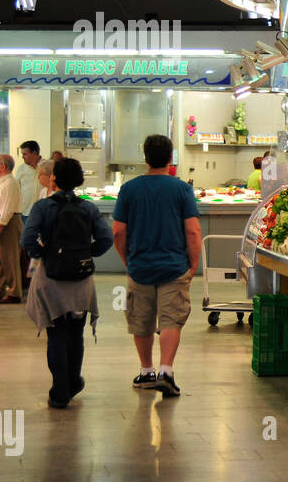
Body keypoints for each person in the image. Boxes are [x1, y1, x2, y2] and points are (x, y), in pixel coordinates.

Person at [112, 134, 202, 397]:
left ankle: (146, 371)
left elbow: (118, 232)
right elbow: (193, 231)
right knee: (171, 318)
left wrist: (128, 260)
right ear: (171, 158)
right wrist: (193, 263)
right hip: (174, 266)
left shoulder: (129, 189)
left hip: (139, 266)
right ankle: (166, 371)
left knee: (140, 320)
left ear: (145, 158)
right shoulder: (181, 189)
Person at [21, 157, 114, 409]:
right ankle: (73, 381)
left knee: (56, 333)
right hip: (81, 281)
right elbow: (106, 239)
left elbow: (27, 238)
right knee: (76, 332)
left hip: (52, 277)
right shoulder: (89, 208)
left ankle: (59, 391)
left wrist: (44, 254)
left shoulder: (43, 207)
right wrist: (85, 252)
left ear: (54, 179)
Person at [0, 153, 24, 304]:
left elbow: (8, 209)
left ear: (4, 167)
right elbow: (0, 205)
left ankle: (15, 293)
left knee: (9, 258)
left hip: (7, 224)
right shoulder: (0, 182)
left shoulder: (10, 183)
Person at [15, 141, 44, 289]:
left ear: (35, 153)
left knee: (42, 245)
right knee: (26, 246)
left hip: (44, 214)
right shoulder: (21, 170)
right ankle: (27, 279)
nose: (24, 157)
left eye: (25, 154)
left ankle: (41, 278)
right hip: (26, 213)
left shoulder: (46, 167)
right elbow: (17, 190)